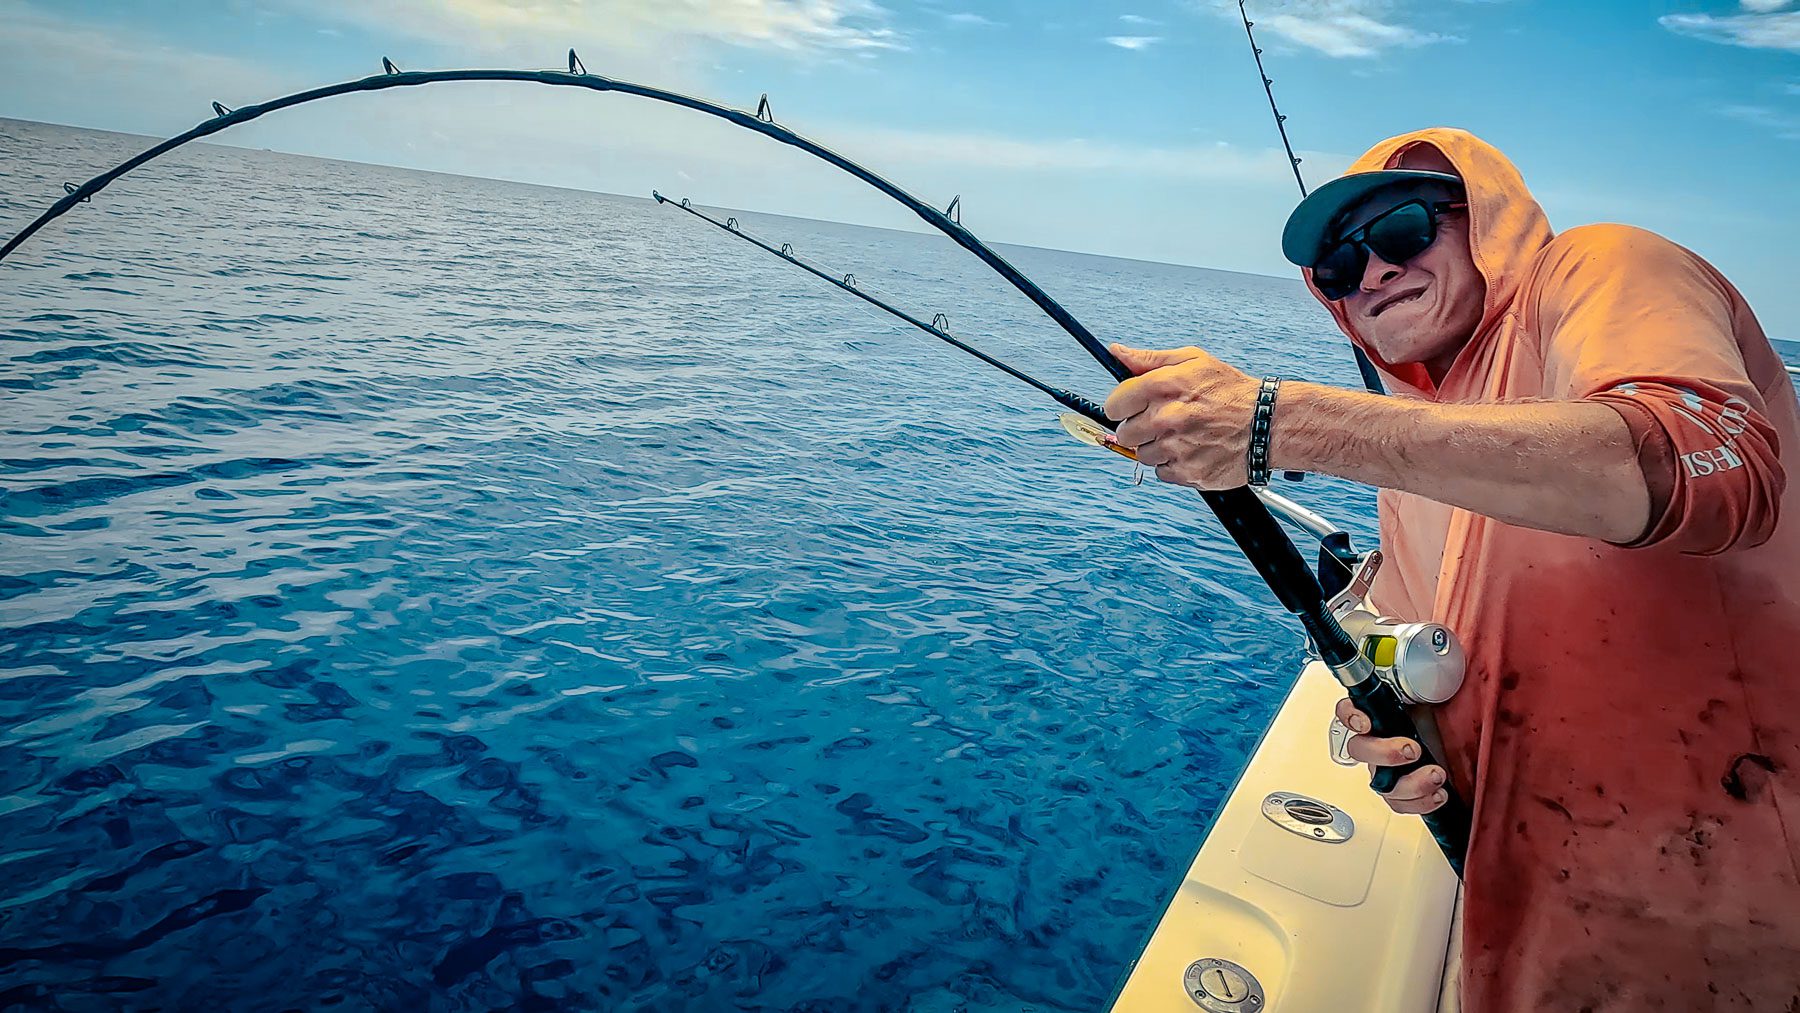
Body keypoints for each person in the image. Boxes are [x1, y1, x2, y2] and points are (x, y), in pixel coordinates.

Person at [1102, 127, 1800, 1010]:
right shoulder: (1417, 460)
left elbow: (1709, 464)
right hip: (1542, 937)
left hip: (1756, 919)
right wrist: (1416, 737)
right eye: (1340, 267)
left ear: (1485, 223)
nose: (1374, 272)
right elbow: (1430, 649)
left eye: (1399, 231)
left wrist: (1285, 421)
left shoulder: (1606, 266)